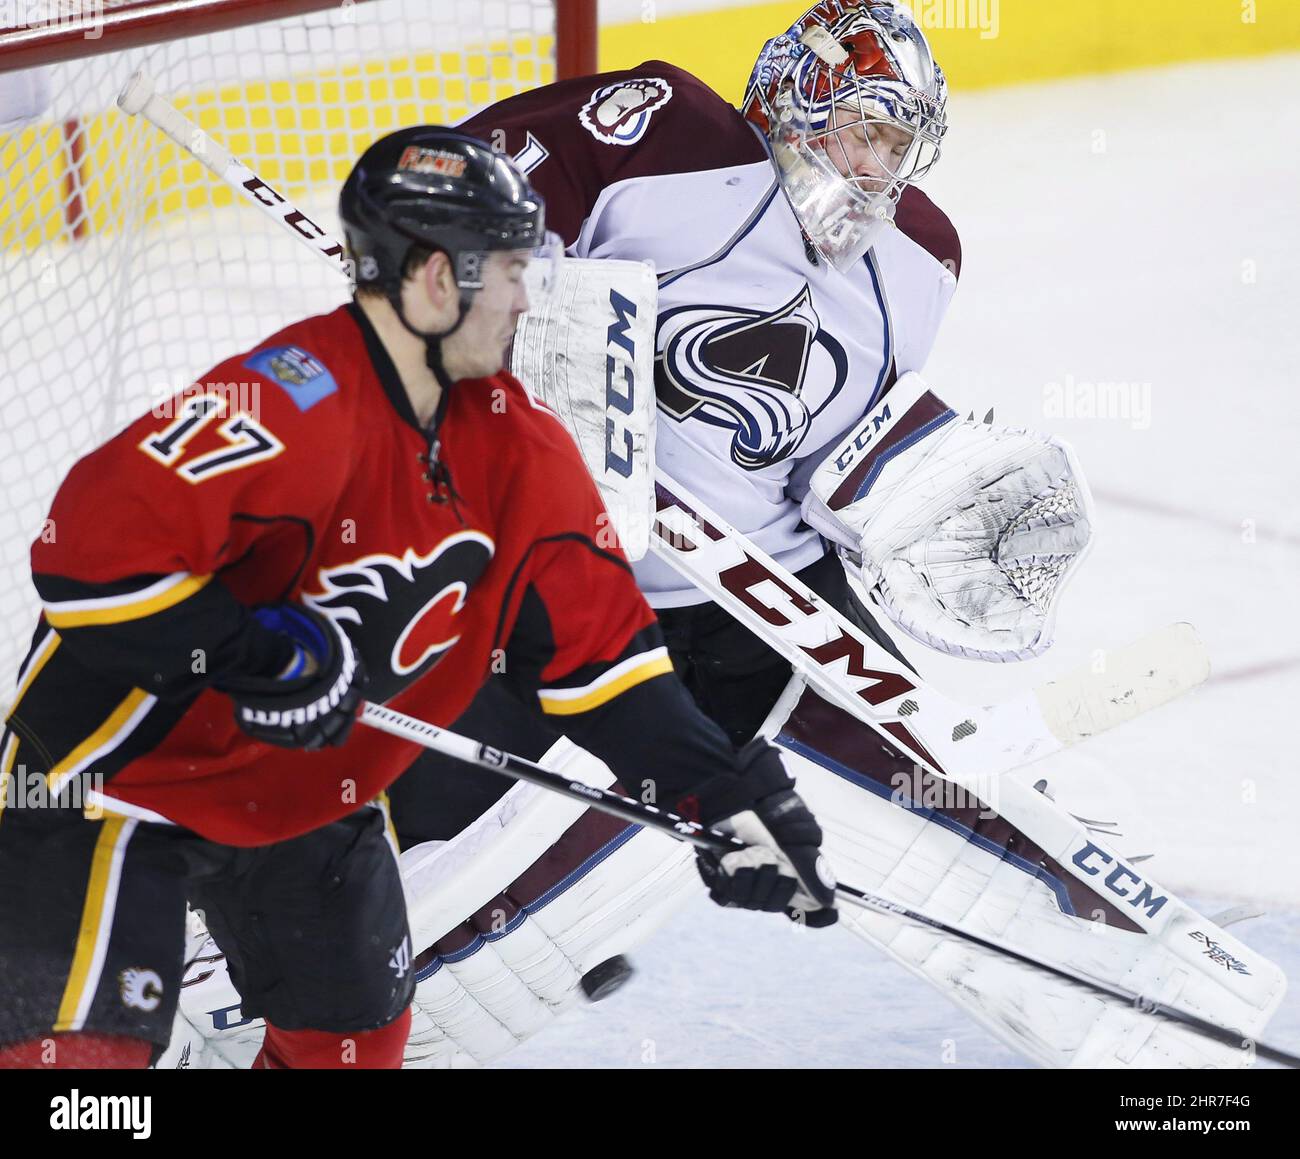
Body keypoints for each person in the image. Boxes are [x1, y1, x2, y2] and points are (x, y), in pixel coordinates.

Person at [0, 126, 836, 1070]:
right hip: (119, 787)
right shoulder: (286, 399)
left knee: (348, 1051)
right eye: (509, 269)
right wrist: (251, 654)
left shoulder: (527, 453)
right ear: (436, 280)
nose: (528, 295)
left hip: (313, 800)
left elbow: (603, 666)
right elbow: (88, 557)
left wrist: (722, 793)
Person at [391, 0, 959, 835]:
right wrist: (519, 317)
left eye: (897, 147)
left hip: (766, 595)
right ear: (795, 94)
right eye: (862, 130)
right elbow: (462, 177)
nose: (878, 167)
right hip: (577, 579)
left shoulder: (922, 259)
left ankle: (1065, 886)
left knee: (941, 787)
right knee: (433, 822)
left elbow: (852, 457)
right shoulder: (669, 137)